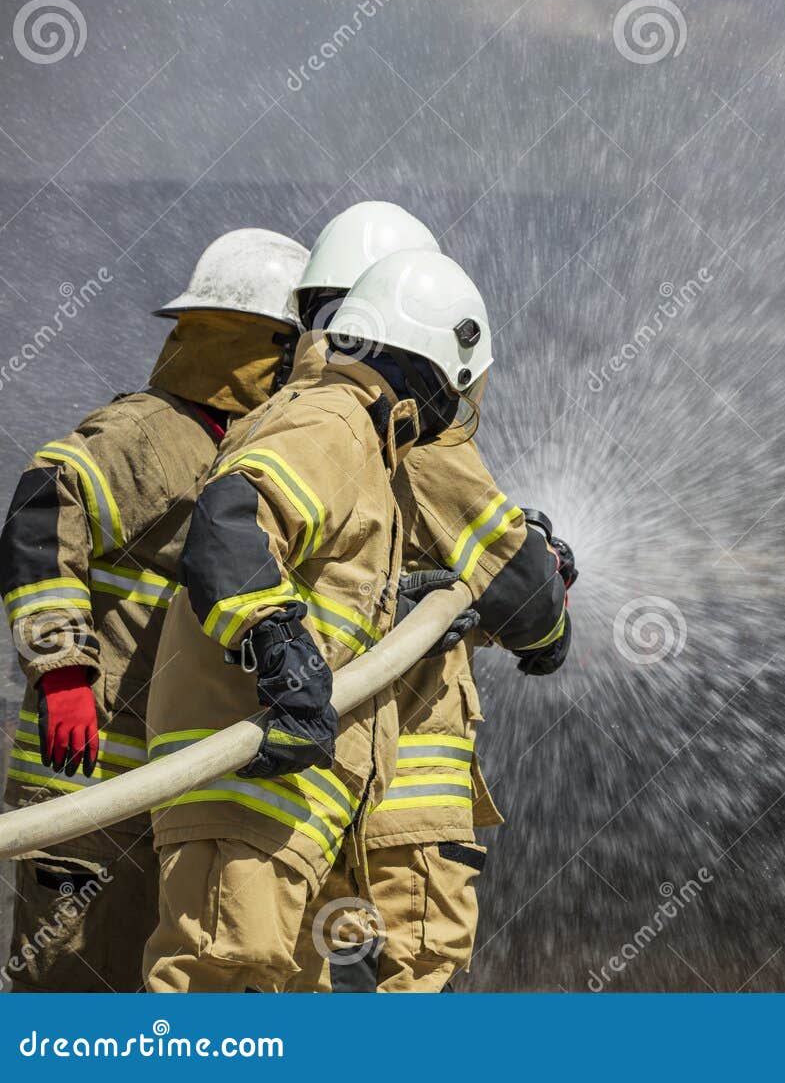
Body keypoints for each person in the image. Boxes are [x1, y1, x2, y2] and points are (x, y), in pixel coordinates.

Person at [140, 250, 495, 992]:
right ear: (429, 368)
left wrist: (400, 606)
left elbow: (311, 569)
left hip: (287, 791)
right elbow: (234, 521)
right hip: (244, 778)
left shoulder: (360, 441)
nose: (444, 418)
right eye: (448, 393)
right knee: (218, 985)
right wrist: (280, 649)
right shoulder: (333, 417)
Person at [274, 201, 574, 991]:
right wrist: (543, 574)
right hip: (401, 795)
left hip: (292, 784)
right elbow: (529, 607)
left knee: (298, 988)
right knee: (413, 978)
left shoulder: (275, 415)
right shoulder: (423, 438)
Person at [0, 228, 308, 991]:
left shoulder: (230, 448)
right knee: (70, 1000)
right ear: (267, 346)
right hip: (87, 786)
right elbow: (43, 509)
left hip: (157, 788)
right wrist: (63, 668)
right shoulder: (159, 432)